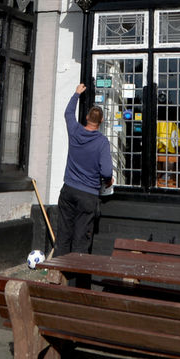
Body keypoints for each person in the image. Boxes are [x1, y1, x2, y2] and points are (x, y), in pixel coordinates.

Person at [54, 83, 113, 255]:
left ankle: (58, 274)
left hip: (68, 190)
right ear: (101, 121)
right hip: (88, 195)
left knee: (63, 234)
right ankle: (75, 279)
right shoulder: (102, 142)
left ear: (87, 117)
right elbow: (107, 172)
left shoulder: (75, 131)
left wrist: (76, 94)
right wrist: (109, 181)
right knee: (81, 238)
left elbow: (68, 114)